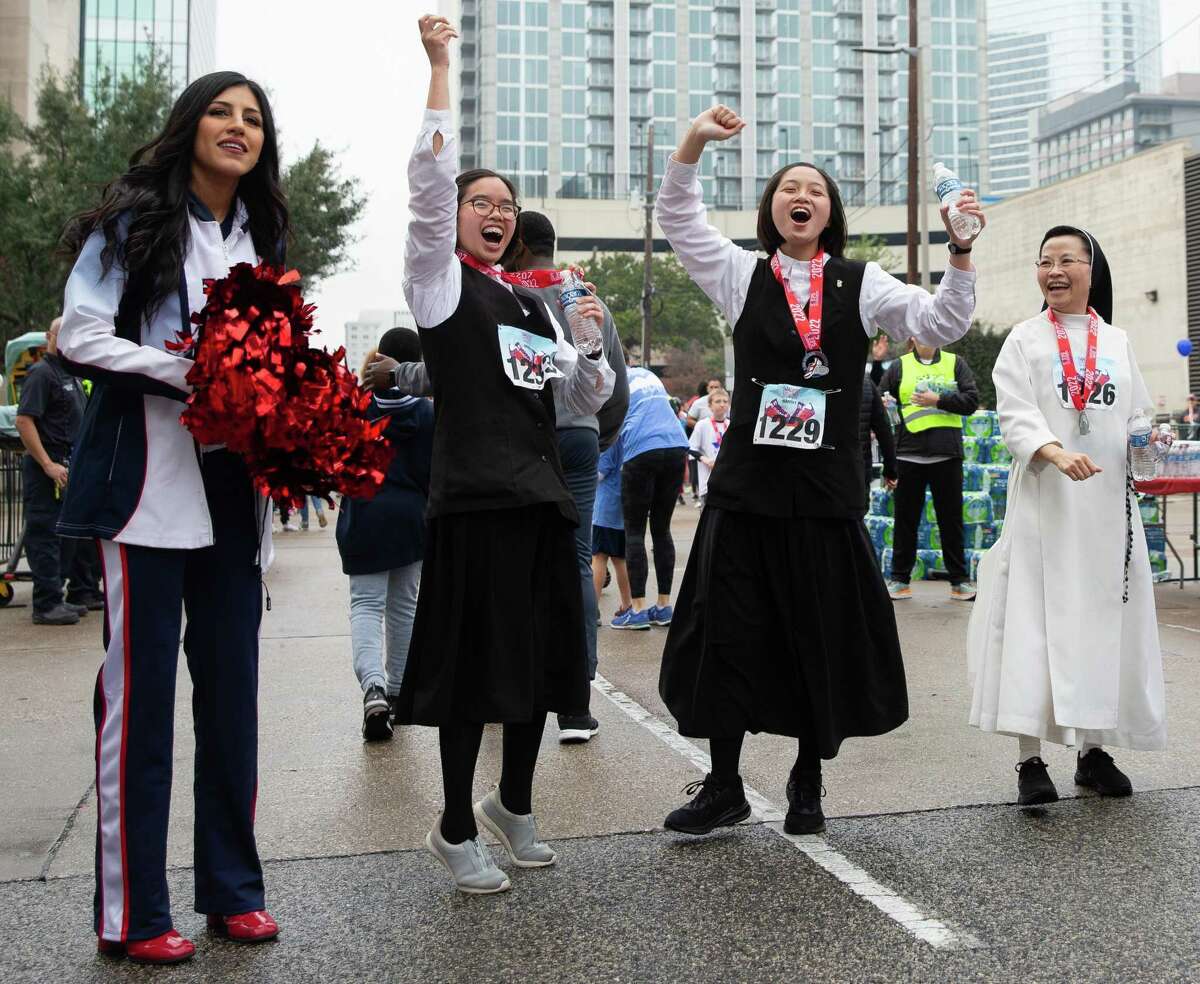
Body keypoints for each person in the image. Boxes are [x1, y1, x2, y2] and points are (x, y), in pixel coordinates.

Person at [655, 104, 982, 837]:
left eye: (816, 189)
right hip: (747, 489)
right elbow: (679, 218)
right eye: (788, 188)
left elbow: (941, 325)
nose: (802, 196)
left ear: (828, 212)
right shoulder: (739, 273)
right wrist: (695, 143)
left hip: (826, 490)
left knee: (817, 635)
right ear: (773, 209)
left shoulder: (864, 283)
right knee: (729, 634)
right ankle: (724, 783)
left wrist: (959, 252)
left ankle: (807, 782)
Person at [371, 15, 614, 896]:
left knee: (542, 668)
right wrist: (440, 67)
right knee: (473, 677)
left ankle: (512, 803)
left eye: (506, 207)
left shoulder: (534, 302)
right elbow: (430, 189)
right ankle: (449, 825)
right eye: (483, 203)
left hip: (542, 499)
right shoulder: (440, 286)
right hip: (472, 502)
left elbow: (582, 402)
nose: (496, 215)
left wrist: (587, 345)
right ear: (458, 219)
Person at [57, 71, 287, 963]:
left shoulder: (258, 233)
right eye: (223, 113)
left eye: (254, 119)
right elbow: (77, 334)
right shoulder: (133, 223)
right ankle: (133, 911)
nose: (238, 128)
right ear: (190, 126)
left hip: (236, 495)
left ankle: (234, 891)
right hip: (147, 490)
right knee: (139, 704)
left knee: (232, 699)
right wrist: (188, 372)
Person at [968, 226, 1167, 806]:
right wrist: (1053, 452)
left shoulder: (1118, 341)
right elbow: (1015, 414)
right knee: (1033, 629)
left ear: (1091, 269)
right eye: (1044, 261)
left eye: (1066, 261)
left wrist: (1147, 444)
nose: (1054, 271)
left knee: (1106, 626)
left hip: (1108, 513)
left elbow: (1138, 415)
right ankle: (1029, 761)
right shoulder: (1024, 341)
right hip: (1044, 506)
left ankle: (1093, 752)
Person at [505, 209, 629, 745]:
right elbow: (618, 380)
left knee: (515, 559)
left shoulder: (509, 292)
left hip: (525, 437)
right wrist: (597, 435)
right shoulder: (583, 296)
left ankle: (509, 684)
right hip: (580, 435)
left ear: (518, 246)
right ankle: (578, 699)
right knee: (578, 561)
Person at [337, 330, 433, 742]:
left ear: (380, 361)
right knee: (403, 607)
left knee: (366, 606)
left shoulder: (356, 409)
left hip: (366, 517)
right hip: (412, 520)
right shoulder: (429, 415)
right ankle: (398, 691)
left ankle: (373, 688)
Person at [14, 318, 103, 624]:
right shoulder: (42, 373)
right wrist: (48, 464)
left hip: (69, 467)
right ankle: (46, 603)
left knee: (70, 538)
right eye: (61, 334)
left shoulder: (72, 374)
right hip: (46, 469)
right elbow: (24, 421)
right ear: (49, 337)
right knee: (45, 536)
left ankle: (77, 591)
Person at [880, 339, 980, 601]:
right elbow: (880, 398)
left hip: (946, 455)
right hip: (907, 455)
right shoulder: (898, 366)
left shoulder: (955, 363)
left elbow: (971, 401)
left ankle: (959, 582)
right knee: (905, 521)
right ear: (912, 337)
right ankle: (900, 580)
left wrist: (939, 400)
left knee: (951, 521)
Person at [615, 363, 689, 629]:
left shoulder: (614, 379)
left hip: (641, 449)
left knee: (634, 531)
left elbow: (609, 428)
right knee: (661, 529)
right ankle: (664, 605)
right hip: (676, 444)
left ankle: (637, 609)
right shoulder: (650, 376)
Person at [592, 436, 639, 628]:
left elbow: (599, 473)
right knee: (620, 559)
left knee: (598, 557)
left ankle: (591, 609)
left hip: (605, 507)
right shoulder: (628, 436)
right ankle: (628, 605)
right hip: (622, 505)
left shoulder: (609, 440)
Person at [687, 387, 730, 506]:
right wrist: (705, 460)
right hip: (708, 482)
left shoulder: (731, 425)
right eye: (718, 401)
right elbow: (690, 448)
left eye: (725, 401)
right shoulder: (702, 425)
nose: (722, 405)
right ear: (710, 406)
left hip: (728, 481)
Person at [860, 374, 898, 507]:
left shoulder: (807, 379)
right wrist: (891, 471)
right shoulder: (865, 383)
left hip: (814, 477)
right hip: (857, 473)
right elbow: (884, 431)